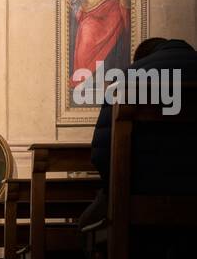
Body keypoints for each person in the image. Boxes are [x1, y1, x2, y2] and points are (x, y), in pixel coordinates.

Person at [79, 37, 197, 230]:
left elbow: (101, 156)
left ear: (141, 60)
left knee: (87, 223)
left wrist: (119, 190)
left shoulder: (125, 80)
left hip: (141, 193)